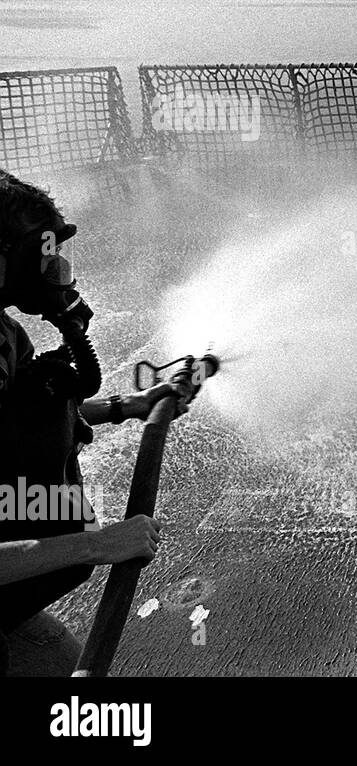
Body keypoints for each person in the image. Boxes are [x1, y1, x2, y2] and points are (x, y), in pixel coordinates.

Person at [0, 170, 178, 676]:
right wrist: (97, 544)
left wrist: (126, 406)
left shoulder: (7, 333)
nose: (53, 265)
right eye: (41, 250)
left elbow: (22, 416)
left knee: (61, 669)